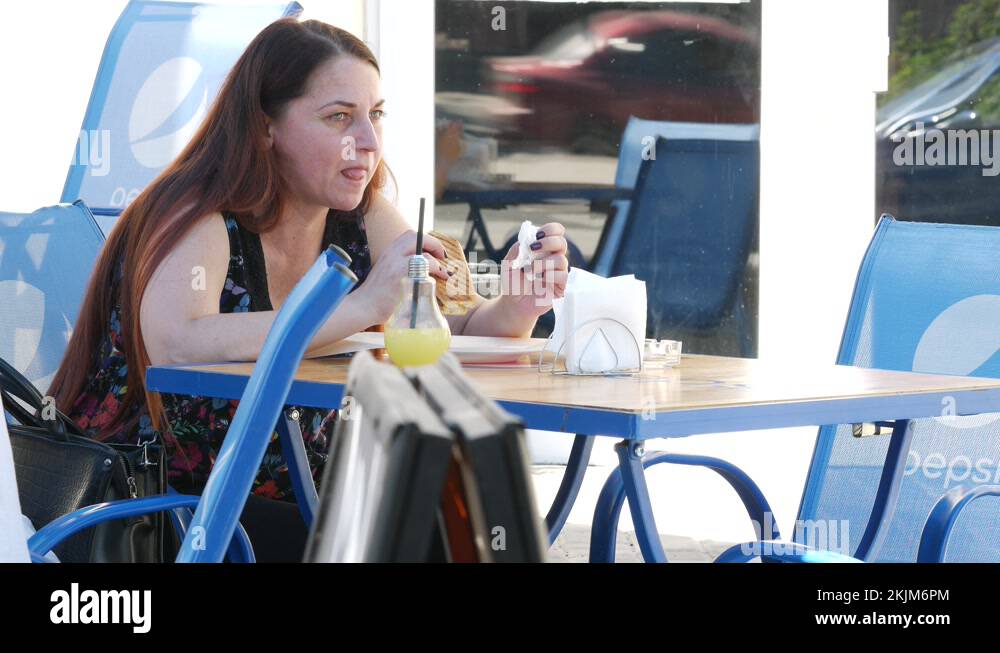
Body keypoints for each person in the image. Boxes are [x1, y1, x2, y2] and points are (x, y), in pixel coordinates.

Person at [49, 18, 570, 561]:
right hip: (161, 508)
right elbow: (177, 341)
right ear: (265, 127)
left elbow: (454, 326)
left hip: (297, 492)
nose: (367, 141)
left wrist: (519, 302)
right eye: (339, 117)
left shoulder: (359, 212)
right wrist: (362, 305)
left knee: (478, 522)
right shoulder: (197, 210)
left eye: (376, 115)